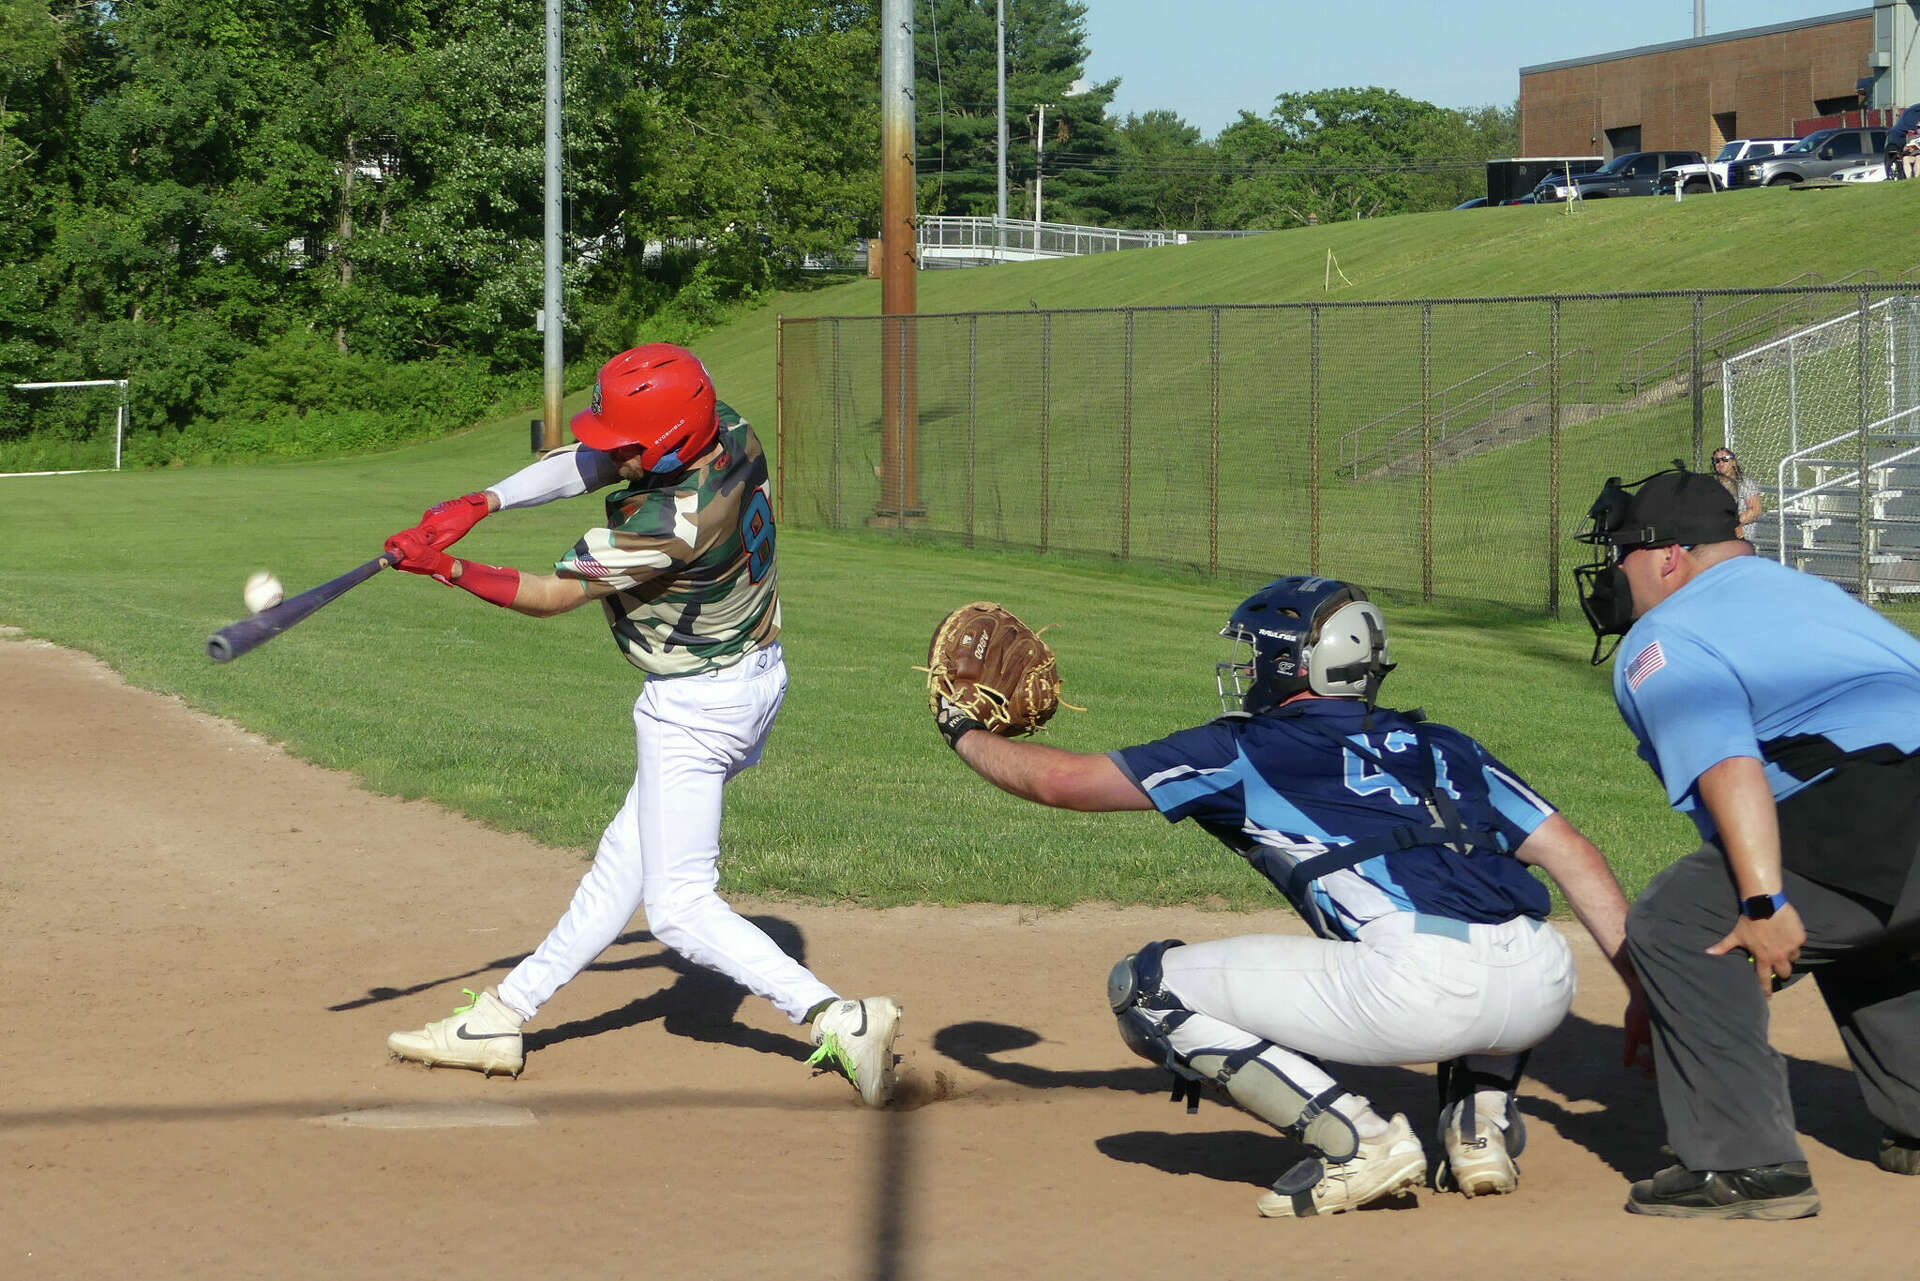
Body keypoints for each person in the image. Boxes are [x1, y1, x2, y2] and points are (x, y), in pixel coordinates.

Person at [933, 575, 1648, 1218]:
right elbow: (1572, 853)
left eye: (1257, 652)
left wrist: (959, 729)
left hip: (1420, 988)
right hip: (1545, 982)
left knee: (1146, 989)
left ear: (1292, 664)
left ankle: (1360, 1143)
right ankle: (1479, 1125)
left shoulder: (1247, 747)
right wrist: (1645, 991)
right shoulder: (1445, 744)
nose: (1247, 667)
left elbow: (1061, 781)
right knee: (1472, 910)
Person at [379, 343, 901, 1105]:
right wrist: (483, 501)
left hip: (695, 708)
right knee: (620, 868)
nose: (610, 453)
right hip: (752, 676)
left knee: (679, 907)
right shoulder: (728, 429)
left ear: (664, 446)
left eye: (626, 442)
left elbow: (553, 594)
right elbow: (592, 461)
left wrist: (449, 568)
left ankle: (840, 1016)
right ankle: (502, 1016)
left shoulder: (668, 524)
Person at [1573, 462, 1920, 1219]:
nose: (1616, 570)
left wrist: (1762, 903)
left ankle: (1746, 1164)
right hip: (1892, 811)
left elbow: (1730, 767)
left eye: (1624, 552)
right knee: (1868, 922)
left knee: (1679, 922)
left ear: (1668, 556)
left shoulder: (1663, 635)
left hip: (1876, 803)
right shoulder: (1815, 595)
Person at [1710, 448, 1762, 540]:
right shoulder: (1713, 483)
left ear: (1733, 462)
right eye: (1717, 461)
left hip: (1740, 534)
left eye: (1725, 459)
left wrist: (1734, 523)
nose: (1721, 463)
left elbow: (1755, 510)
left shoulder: (1744, 483)